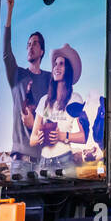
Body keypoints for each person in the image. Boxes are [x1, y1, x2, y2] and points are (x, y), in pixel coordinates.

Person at [3, 0, 50, 180]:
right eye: (28, 44)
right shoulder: (17, 75)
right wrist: (9, 11)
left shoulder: (49, 79)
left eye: (35, 44)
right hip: (20, 161)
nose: (30, 46)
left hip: (44, 163)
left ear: (42, 51)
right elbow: (6, 52)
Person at [31, 44, 86, 172]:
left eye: (61, 64)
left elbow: (83, 136)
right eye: (55, 64)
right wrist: (39, 137)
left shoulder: (75, 98)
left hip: (65, 162)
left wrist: (61, 136)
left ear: (69, 69)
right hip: (43, 164)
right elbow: (32, 139)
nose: (56, 67)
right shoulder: (44, 100)